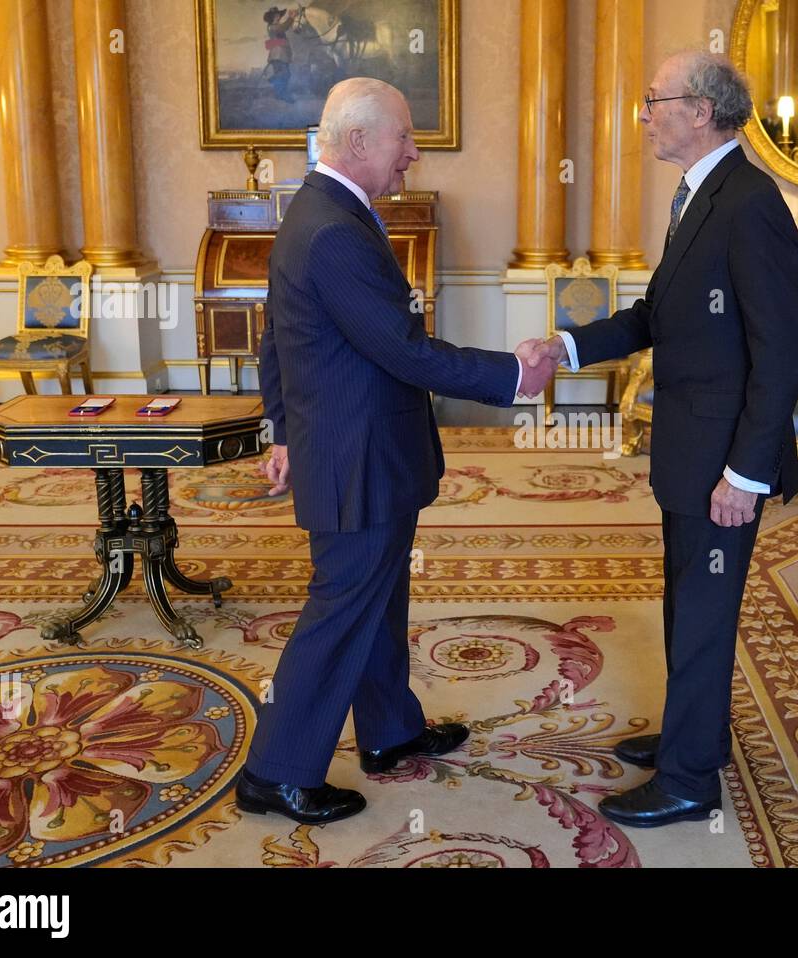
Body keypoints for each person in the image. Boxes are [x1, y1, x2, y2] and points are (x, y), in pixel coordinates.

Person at [237, 77, 554, 825]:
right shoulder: (336, 230)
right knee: (342, 612)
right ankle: (276, 772)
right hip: (357, 460)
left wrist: (283, 430)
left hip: (359, 451)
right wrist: (512, 373)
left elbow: (275, 343)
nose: (414, 154)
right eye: (403, 140)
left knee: (379, 605)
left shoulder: (319, 211)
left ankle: (389, 732)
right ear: (357, 142)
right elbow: (404, 349)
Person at [525, 51, 798, 828]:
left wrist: (746, 475)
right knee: (687, 602)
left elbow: (783, 350)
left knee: (708, 613)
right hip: (690, 451)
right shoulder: (699, 195)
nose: (646, 112)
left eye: (656, 100)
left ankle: (688, 781)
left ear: (703, 110)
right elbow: (656, 316)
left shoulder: (749, 203)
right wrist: (567, 348)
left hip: (724, 460)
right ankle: (698, 736)